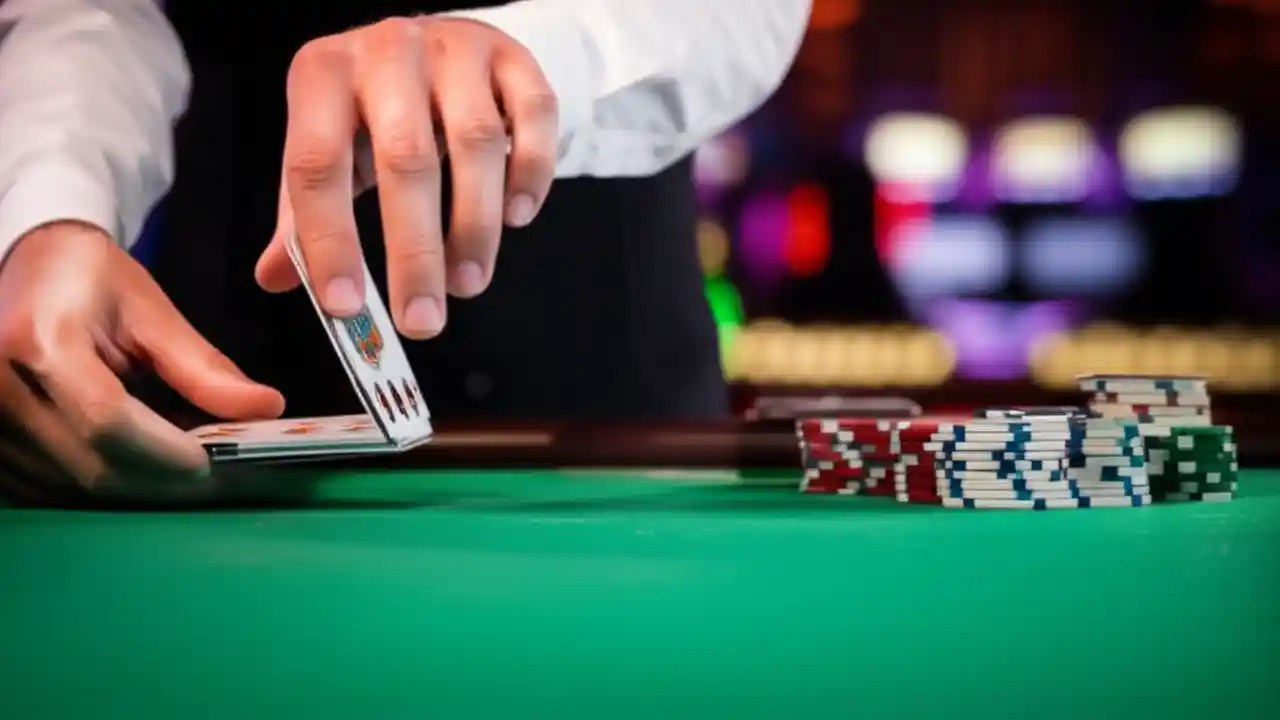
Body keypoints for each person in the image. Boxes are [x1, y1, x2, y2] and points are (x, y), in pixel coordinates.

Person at [0, 0, 810, 501]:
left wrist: (541, 52)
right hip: (225, 412)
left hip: (619, 416)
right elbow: (85, 13)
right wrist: (49, 215)